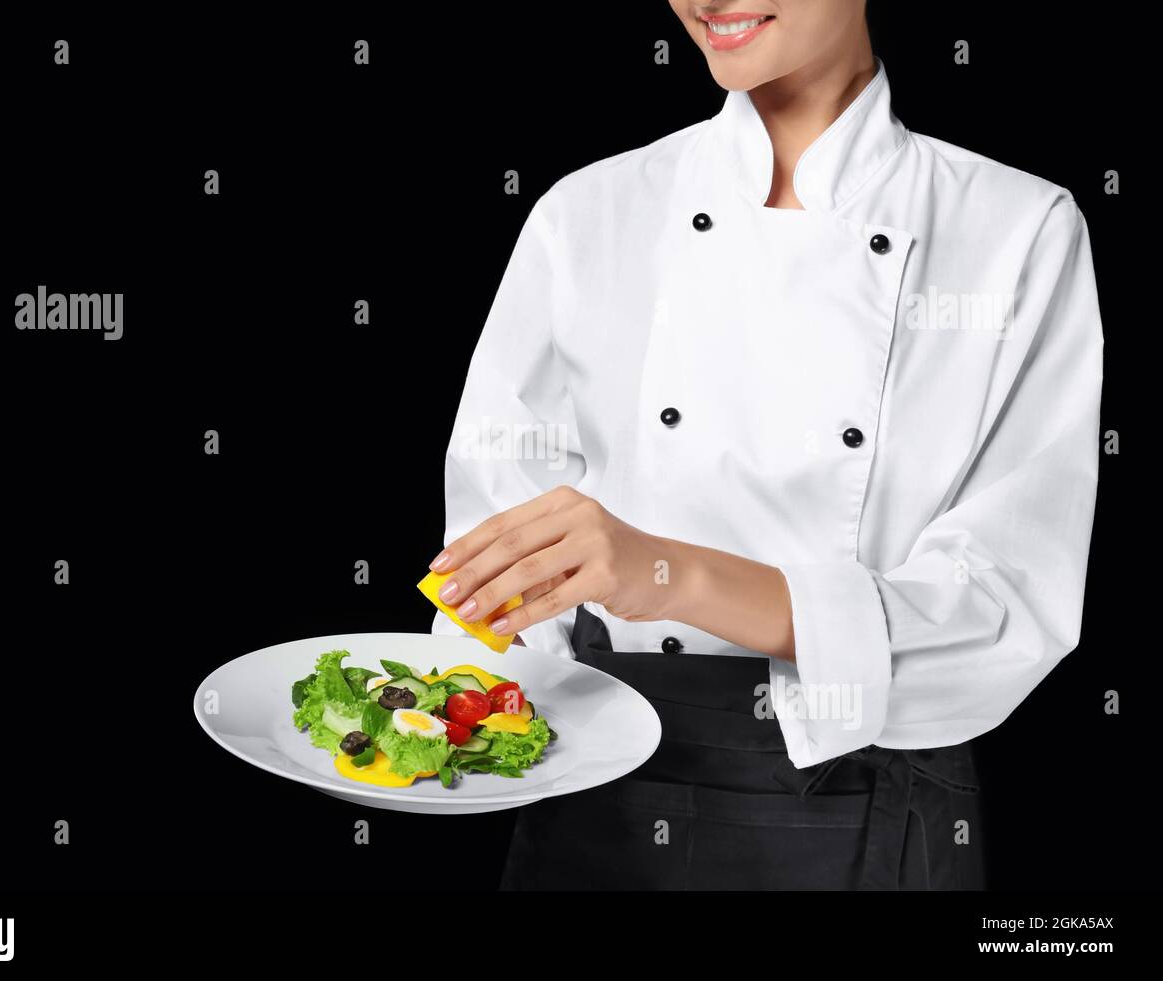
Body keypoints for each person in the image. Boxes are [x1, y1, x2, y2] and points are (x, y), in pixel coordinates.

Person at [428, 1, 1103, 889]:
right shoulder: (586, 214)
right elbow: (496, 571)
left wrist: (668, 573)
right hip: (599, 790)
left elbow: (1008, 611)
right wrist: (435, 720)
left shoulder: (1016, 230)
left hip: (862, 795)